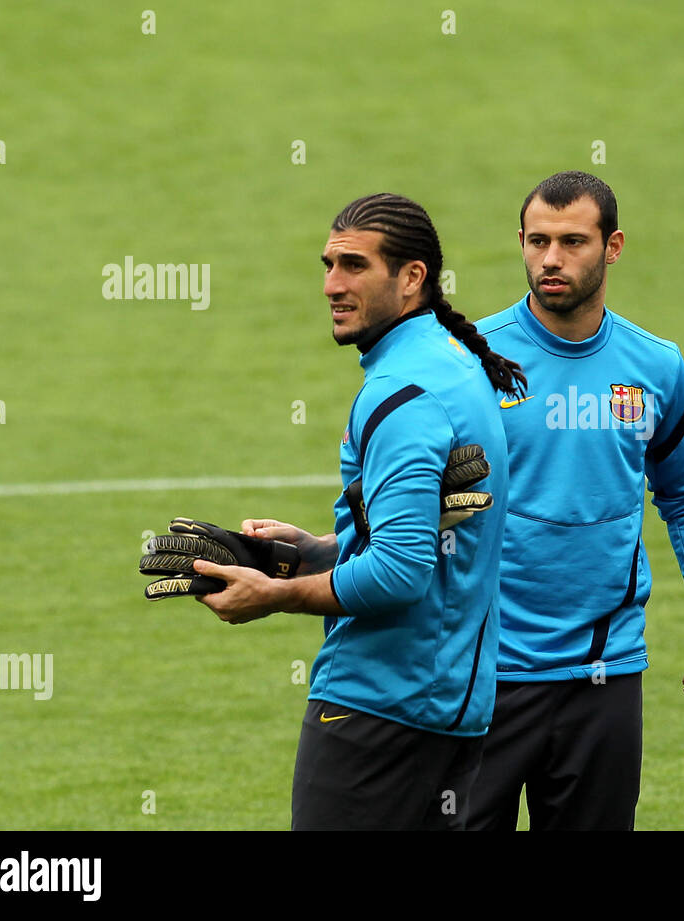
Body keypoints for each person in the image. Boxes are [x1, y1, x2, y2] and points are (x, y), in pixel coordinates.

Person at [192, 192, 526, 830]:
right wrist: (314, 550)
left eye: (353, 266)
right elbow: (428, 534)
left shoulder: (400, 397)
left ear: (410, 279)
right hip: (451, 704)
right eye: (327, 264)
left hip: (376, 708)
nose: (331, 285)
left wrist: (274, 595)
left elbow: (400, 573)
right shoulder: (455, 369)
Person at [466, 171, 684, 831]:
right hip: (485, 668)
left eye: (573, 241)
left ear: (612, 247)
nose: (551, 258)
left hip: (603, 672)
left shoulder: (657, 367)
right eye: (537, 241)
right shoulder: (471, 359)